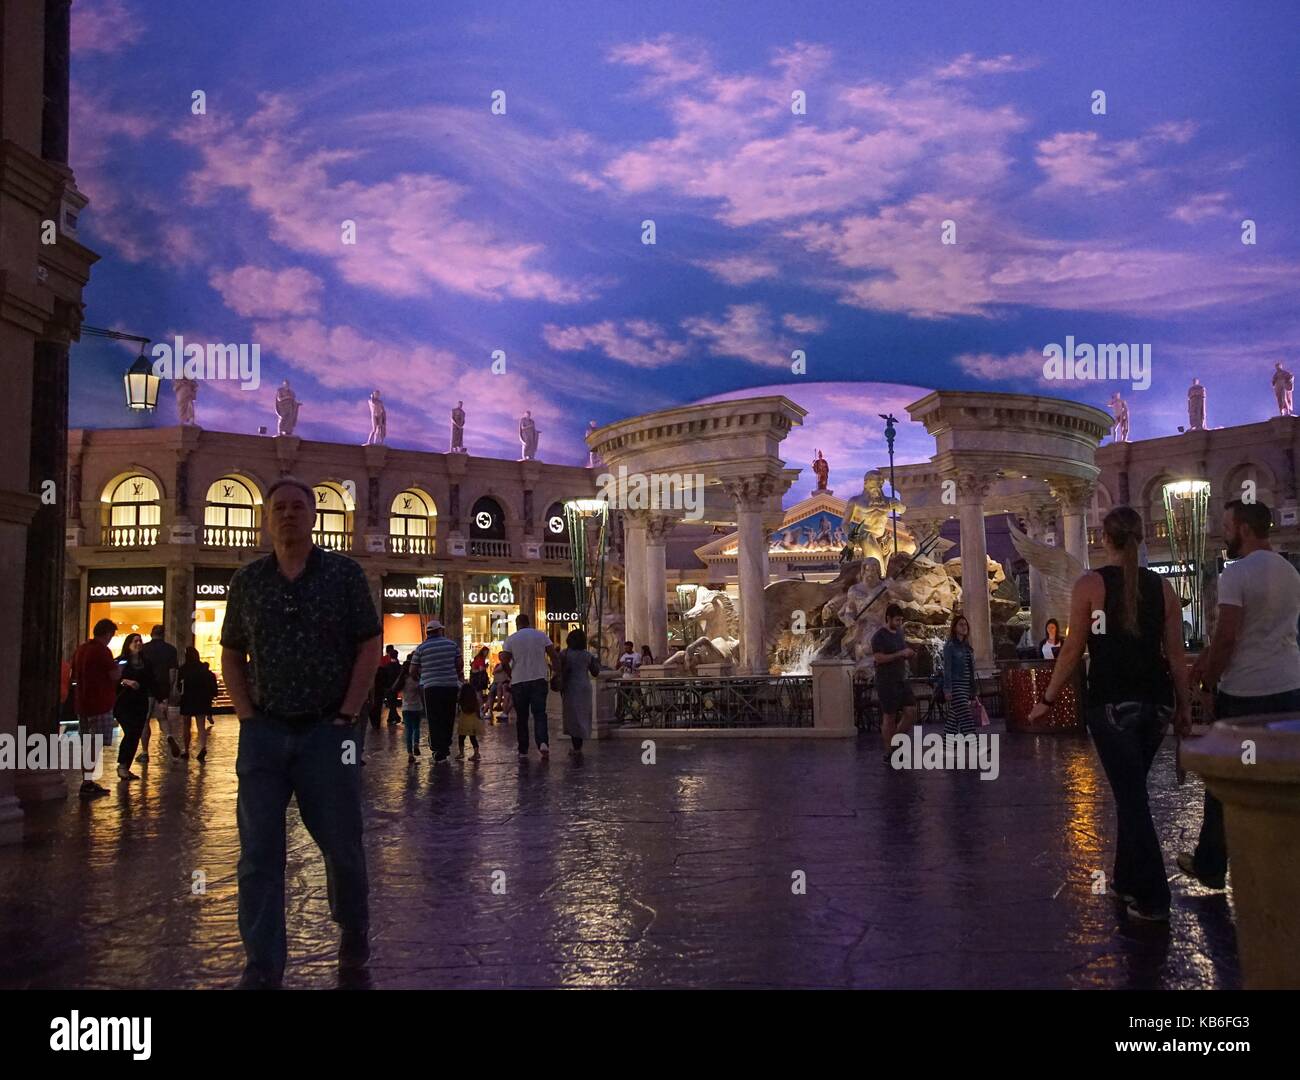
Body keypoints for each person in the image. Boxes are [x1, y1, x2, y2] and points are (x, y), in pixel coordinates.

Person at [221, 476, 382, 989]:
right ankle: (263, 965)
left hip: (327, 733)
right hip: (264, 734)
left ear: (313, 516)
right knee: (258, 854)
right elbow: (230, 650)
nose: (289, 515)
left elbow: (368, 645)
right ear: (267, 519)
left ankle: (353, 928)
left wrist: (346, 716)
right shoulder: (248, 582)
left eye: (298, 507)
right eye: (280, 508)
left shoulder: (343, 575)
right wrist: (246, 715)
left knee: (341, 844)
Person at [1028, 506, 1191, 922]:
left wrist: (1047, 698)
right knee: (1130, 790)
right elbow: (1176, 654)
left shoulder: (1090, 585)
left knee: (1133, 797)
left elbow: (1073, 649)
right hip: (1156, 702)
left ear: (1106, 538)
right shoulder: (1165, 589)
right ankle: (1125, 880)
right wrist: (1185, 707)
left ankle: (1153, 898)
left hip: (1112, 703)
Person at [1180, 499, 1300, 889]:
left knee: (1225, 779)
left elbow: (1228, 635)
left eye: (1227, 525)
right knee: (1280, 777)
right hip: (1288, 686)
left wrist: (1208, 680)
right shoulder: (1289, 571)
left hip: (1245, 690)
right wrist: (1205, 660)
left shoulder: (1237, 574)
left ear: (1244, 529)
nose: (1224, 531)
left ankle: (1212, 864)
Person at [71, 618, 121, 798]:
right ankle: (87, 782)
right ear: (107, 634)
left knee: (87, 742)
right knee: (95, 743)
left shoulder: (81, 649)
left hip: (83, 703)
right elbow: (113, 675)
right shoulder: (102, 651)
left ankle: (87, 779)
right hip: (99, 703)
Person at [502, 613, 561, 760]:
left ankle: (523, 749)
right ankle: (542, 743)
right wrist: (555, 672)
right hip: (539, 678)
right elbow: (553, 655)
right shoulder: (541, 635)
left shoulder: (511, 639)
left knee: (522, 717)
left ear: (517, 624)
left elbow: (504, 660)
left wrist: (511, 674)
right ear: (529, 622)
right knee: (540, 713)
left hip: (519, 681)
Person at [411, 620, 462, 764]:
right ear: (440, 630)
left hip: (431, 687)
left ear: (428, 632)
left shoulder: (421, 648)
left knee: (434, 718)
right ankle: (445, 747)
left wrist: (422, 677)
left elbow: (412, 671)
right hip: (450, 685)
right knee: (448, 717)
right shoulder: (452, 645)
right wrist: (451, 673)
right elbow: (459, 665)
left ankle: (438, 750)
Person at [872, 603, 917, 754]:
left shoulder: (899, 634)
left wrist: (909, 655)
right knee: (889, 715)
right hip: (886, 680)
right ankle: (889, 750)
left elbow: (902, 652)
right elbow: (878, 658)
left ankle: (896, 741)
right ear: (888, 618)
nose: (899, 623)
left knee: (910, 711)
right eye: (897, 620)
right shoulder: (879, 636)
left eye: (901, 620)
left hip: (901, 678)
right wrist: (900, 654)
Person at [113, 633, 153, 781]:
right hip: (124, 703)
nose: (138, 643)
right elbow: (114, 679)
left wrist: (161, 699)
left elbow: (151, 682)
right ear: (128, 644)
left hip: (140, 703)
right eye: (135, 641)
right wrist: (126, 682)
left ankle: (126, 766)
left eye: (140, 641)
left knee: (135, 734)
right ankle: (122, 765)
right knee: (130, 732)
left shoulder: (146, 663)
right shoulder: (121, 661)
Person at [140, 624, 181, 762]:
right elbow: (173, 672)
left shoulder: (144, 649)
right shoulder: (171, 650)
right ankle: (169, 736)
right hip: (162, 688)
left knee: (145, 720)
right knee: (162, 718)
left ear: (152, 634)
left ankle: (145, 752)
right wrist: (169, 689)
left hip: (147, 689)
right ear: (164, 634)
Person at [560, 628, 601, 757]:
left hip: (570, 687)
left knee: (572, 717)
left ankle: (576, 746)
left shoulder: (564, 654)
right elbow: (595, 672)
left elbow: (558, 669)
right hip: (584, 687)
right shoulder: (587, 655)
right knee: (582, 715)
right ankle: (579, 745)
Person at [940, 614, 976, 737]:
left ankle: (946, 742)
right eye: (961, 624)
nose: (964, 627)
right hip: (956, 686)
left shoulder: (967, 647)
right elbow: (947, 669)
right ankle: (974, 743)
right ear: (954, 628)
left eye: (965, 624)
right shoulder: (950, 646)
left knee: (954, 716)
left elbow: (970, 670)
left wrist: (972, 690)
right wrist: (947, 689)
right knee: (966, 715)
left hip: (965, 686)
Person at [178, 646, 215, 762]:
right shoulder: (203, 669)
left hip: (187, 699)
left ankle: (186, 750)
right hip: (201, 699)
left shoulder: (183, 669)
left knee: (186, 725)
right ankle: (203, 747)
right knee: (201, 726)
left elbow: (179, 686)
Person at [398, 654, 424, 763]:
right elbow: (422, 692)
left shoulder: (402, 681)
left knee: (408, 730)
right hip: (417, 707)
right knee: (416, 727)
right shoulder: (417, 680)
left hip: (406, 708)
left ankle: (410, 754)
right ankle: (416, 744)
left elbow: (395, 689)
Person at [455, 682, 482, 761]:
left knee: (461, 738)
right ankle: (476, 753)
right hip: (473, 722)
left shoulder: (462, 700)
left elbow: (460, 710)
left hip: (464, 722)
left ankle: (461, 753)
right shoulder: (474, 701)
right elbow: (478, 711)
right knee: (473, 738)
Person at [490, 653, 513, 720]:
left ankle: (504, 711)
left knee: (508, 697)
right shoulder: (504, 664)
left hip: (508, 681)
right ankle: (505, 712)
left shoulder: (503, 664)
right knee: (508, 696)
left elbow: (495, 672)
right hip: (508, 681)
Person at [469, 646, 491, 717]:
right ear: (483, 651)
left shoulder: (476, 658)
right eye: (486, 652)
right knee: (479, 694)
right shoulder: (481, 659)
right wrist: (486, 666)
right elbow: (481, 669)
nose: (487, 654)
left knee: (477, 694)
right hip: (478, 679)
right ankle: (481, 710)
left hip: (474, 678)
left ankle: (478, 710)